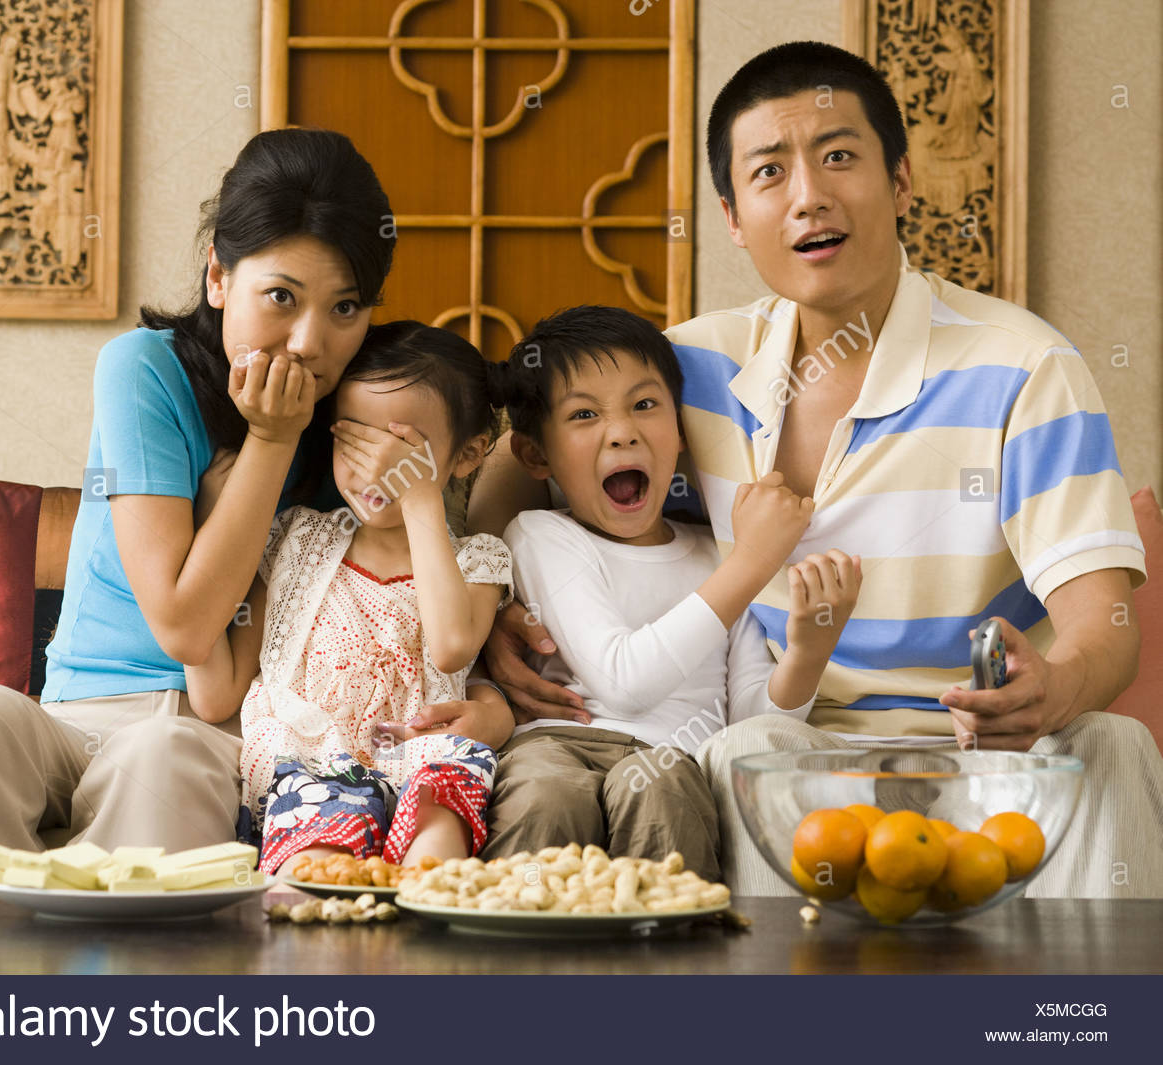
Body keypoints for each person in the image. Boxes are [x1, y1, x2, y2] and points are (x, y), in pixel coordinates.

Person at [469, 41, 1163, 898]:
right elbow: (525, 456)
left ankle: (1095, 1028)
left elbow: (1109, 623)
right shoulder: (686, 371)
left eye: (839, 156)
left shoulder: (1025, 366)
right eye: (769, 172)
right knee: (742, 749)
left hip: (988, 760)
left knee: (1116, 742)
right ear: (731, 217)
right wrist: (495, 606)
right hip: (794, 750)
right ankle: (784, 1027)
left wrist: (1053, 687)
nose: (809, 195)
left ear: (902, 180)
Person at [0, 128, 508, 889]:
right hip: (78, 709)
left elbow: (416, 584)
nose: (310, 341)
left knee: (162, 753)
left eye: (346, 307)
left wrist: (493, 680)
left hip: (219, 725)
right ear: (218, 275)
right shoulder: (143, 371)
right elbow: (179, 615)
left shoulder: (351, 415)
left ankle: (135, 1006)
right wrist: (273, 440)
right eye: (281, 297)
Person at [479, 305, 860, 882]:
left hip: (676, 756)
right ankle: (519, 960)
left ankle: (669, 964)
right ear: (536, 454)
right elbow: (625, 683)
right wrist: (753, 562)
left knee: (664, 793)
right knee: (545, 797)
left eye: (645, 405)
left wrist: (809, 651)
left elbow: (750, 719)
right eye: (584, 414)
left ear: (681, 432)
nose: (623, 430)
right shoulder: (543, 534)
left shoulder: (719, 553)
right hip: (559, 745)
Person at [184, 321, 515, 876]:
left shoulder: (477, 560)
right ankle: (317, 924)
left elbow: (453, 647)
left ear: (468, 454)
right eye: (356, 440)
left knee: (444, 810)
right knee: (323, 847)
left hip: (425, 755)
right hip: (312, 758)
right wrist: (206, 529)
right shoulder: (298, 541)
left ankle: (427, 914)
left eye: (403, 447)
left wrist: (420, 501)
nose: (375, 467)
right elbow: (218, 696)